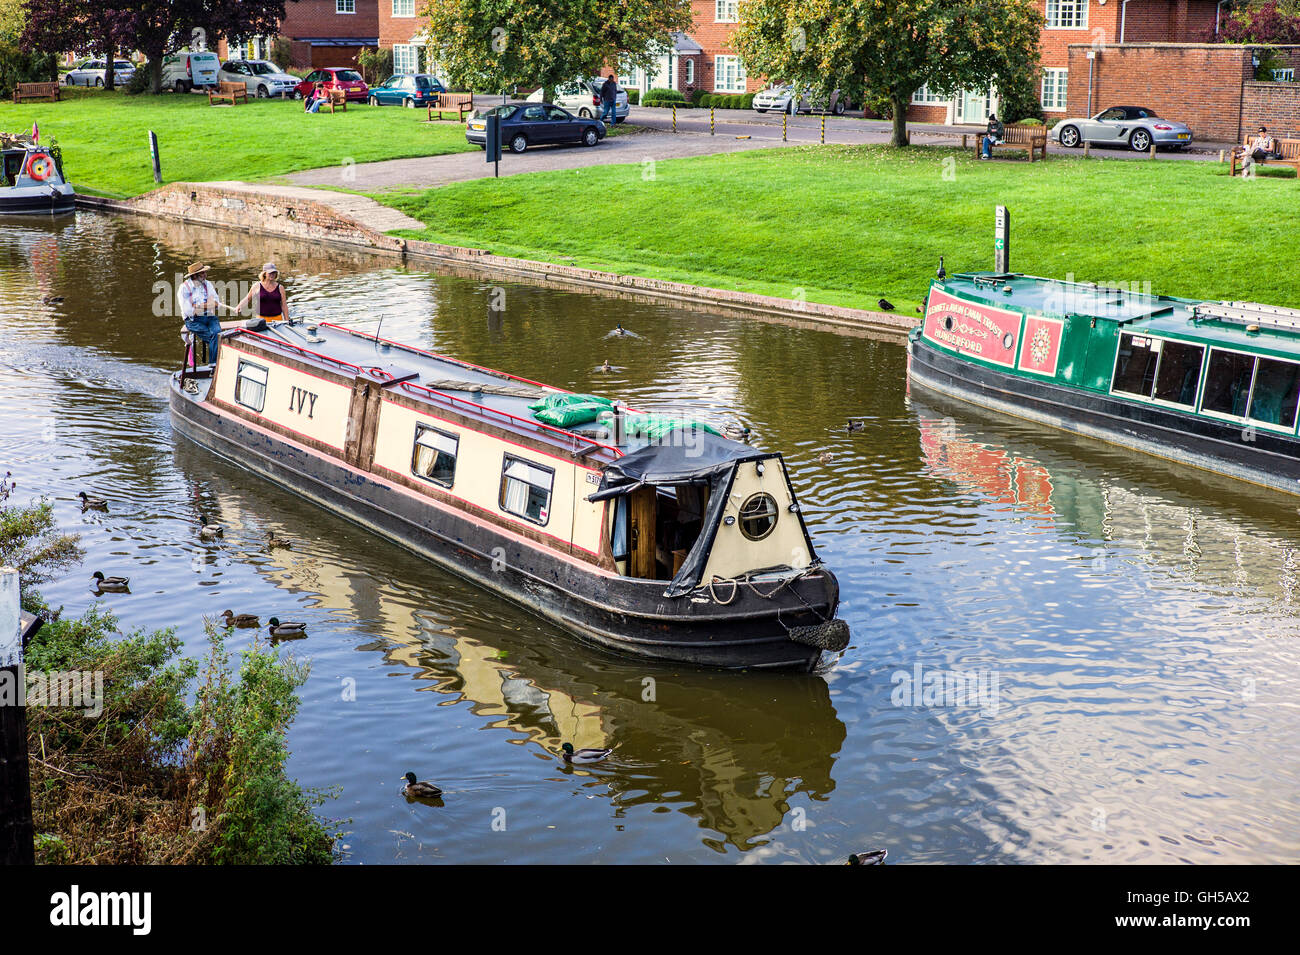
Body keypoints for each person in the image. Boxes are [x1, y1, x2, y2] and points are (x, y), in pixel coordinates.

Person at [177, 262, 229, 363]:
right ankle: (215, 365)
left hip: (210, 317)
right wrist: (207, 305)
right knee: (215, 339)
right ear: (195, 276)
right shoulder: (184, 288)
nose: (205, 275)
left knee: (218, 335)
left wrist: (199, 306)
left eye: (205, 272)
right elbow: (190, 312)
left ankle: (213, 366)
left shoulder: (207, 284)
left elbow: (216, 303)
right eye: (203, 273)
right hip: (193, 321)